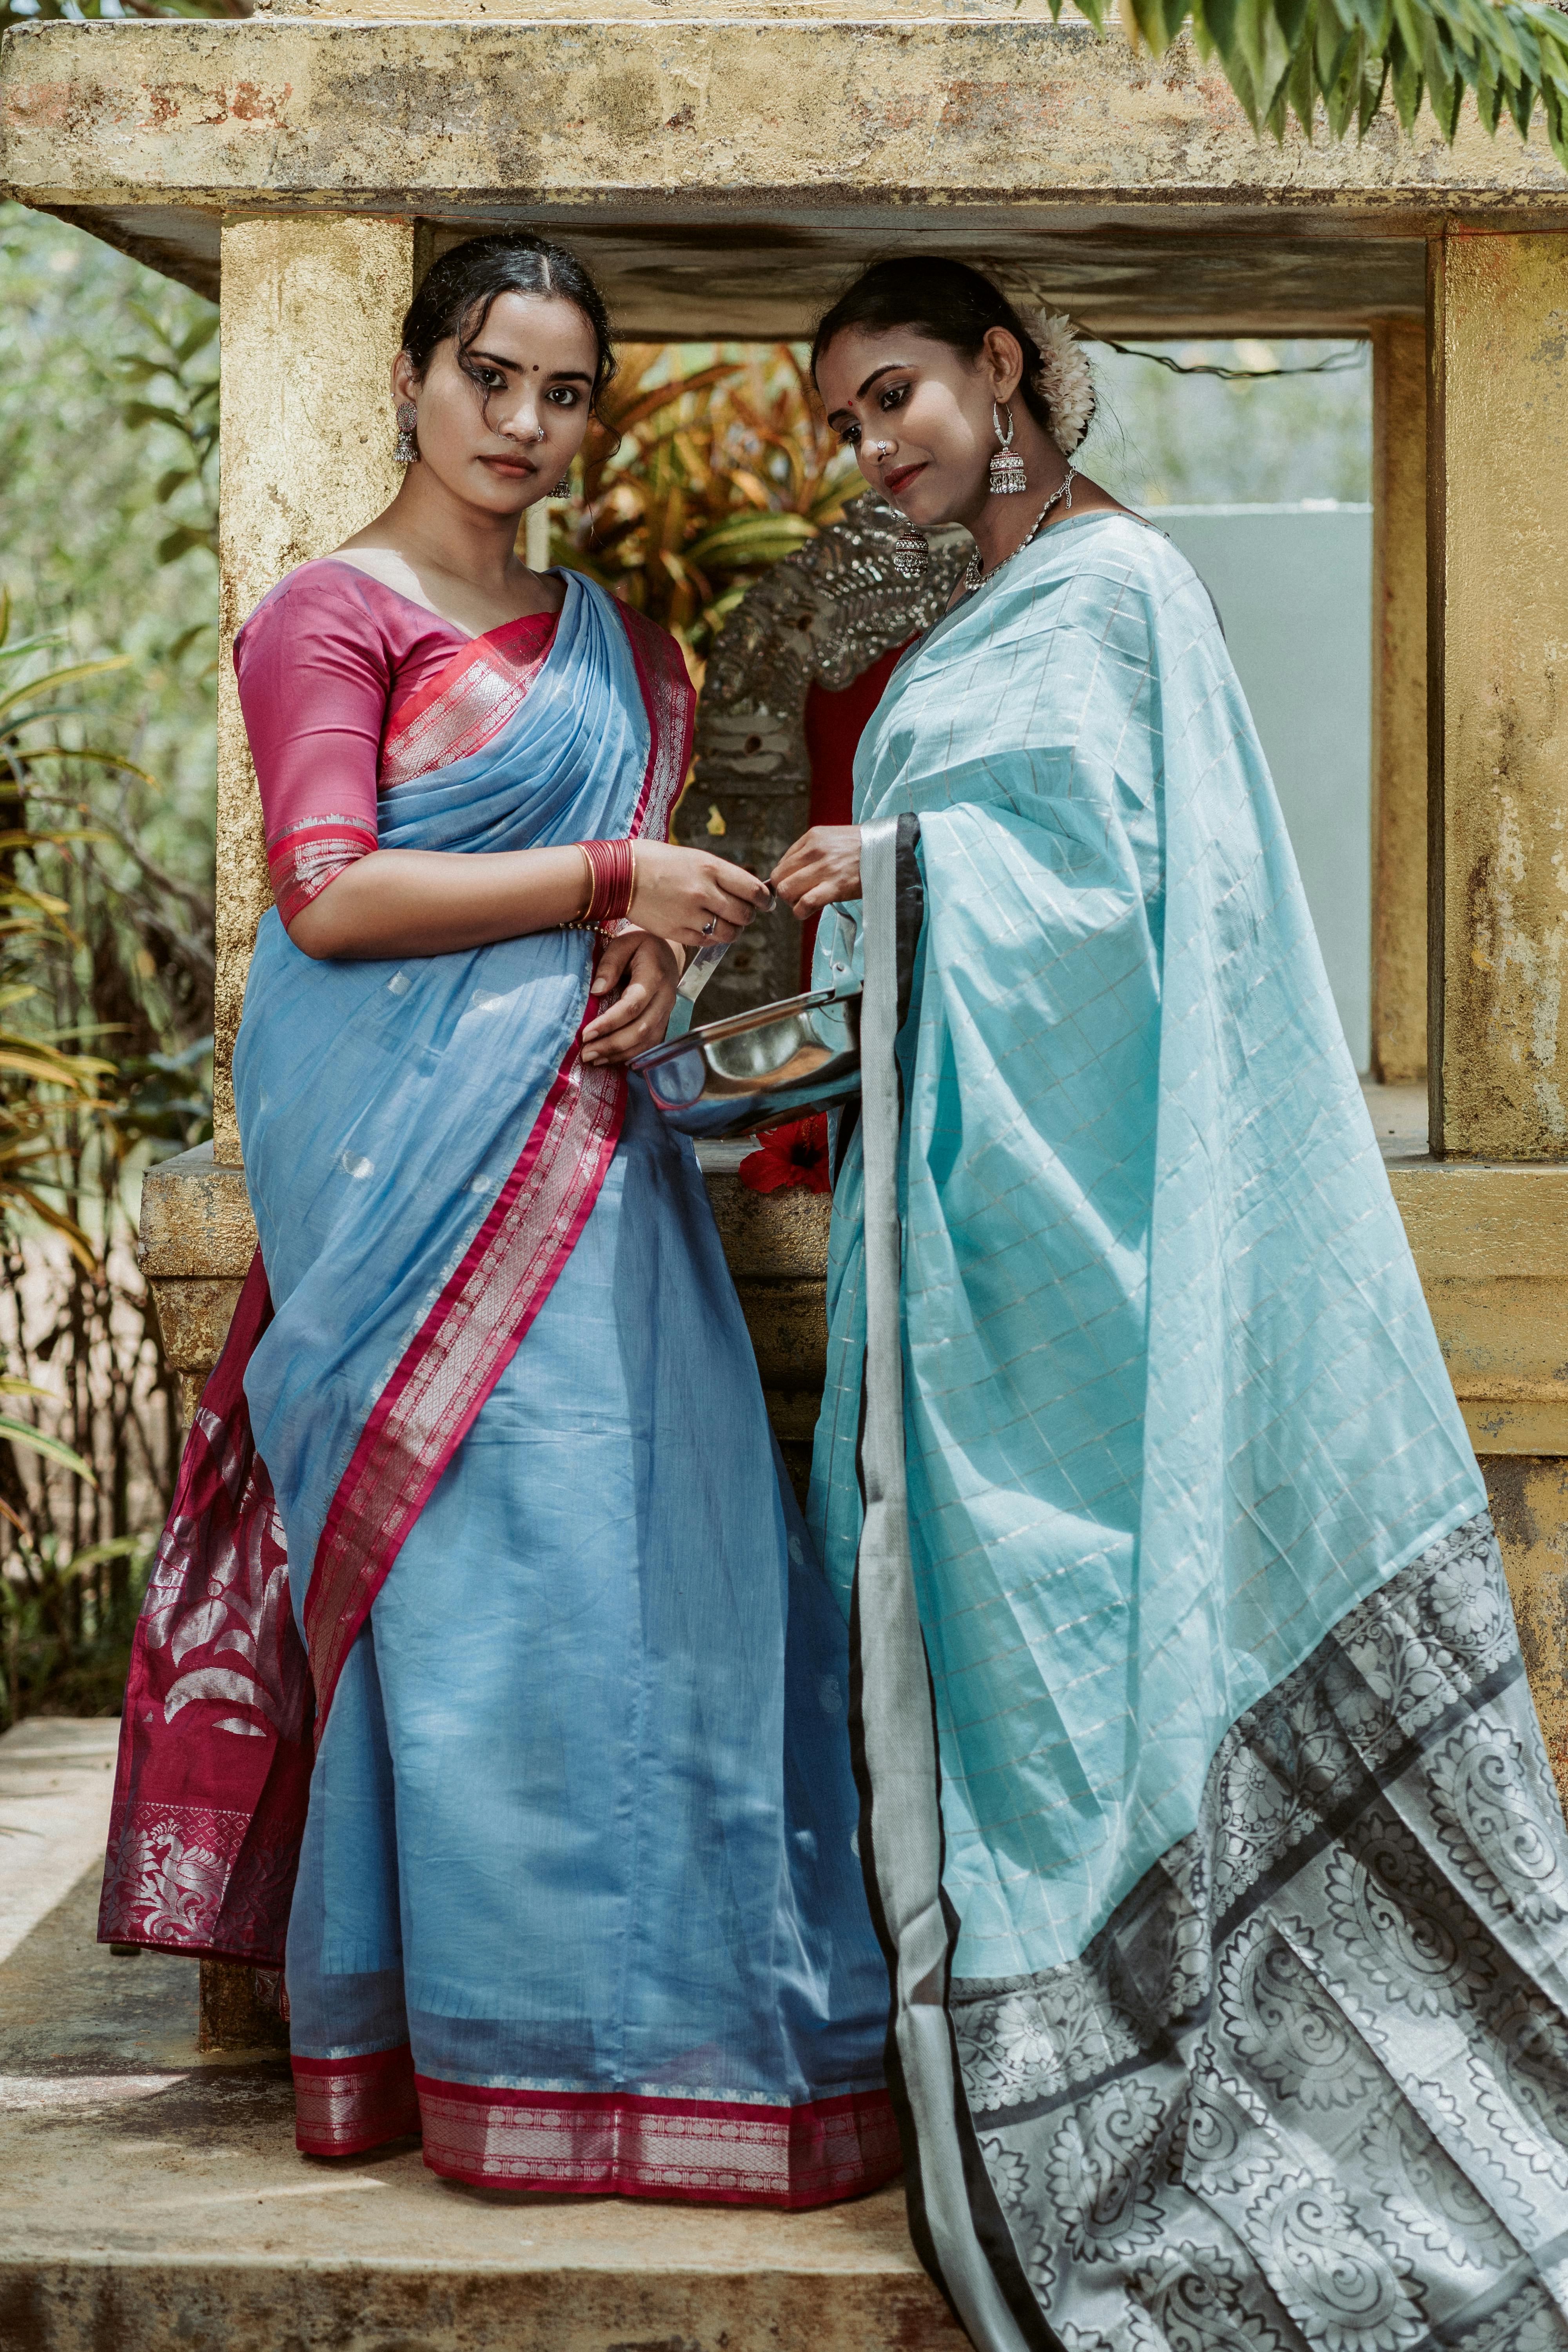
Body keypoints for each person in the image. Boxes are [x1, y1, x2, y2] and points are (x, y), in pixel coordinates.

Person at [771, 255, 1568, 2347]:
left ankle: (1177, 2058)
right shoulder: (1001, 606)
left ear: (1003, 367)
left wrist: (902, 874)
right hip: (990, 1240)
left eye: (897, 394)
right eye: (848, 421)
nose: (873, 447)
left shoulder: (1119, 595)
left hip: (1103, 1248)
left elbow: (1144, 908)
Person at [99, 232, 900, 2207]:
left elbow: (631, 912)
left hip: (593, 1177)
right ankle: (478, 2060)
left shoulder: (629, 651)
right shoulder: (330, 620)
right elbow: (331, 898)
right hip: (391, 1175)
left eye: (562, 393)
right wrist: (611, 874)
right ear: (409, 378)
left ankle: (671, 2052)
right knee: (465, 1612)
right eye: (488, 376)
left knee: (638, 1583)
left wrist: (649, 943)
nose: (523, 423)